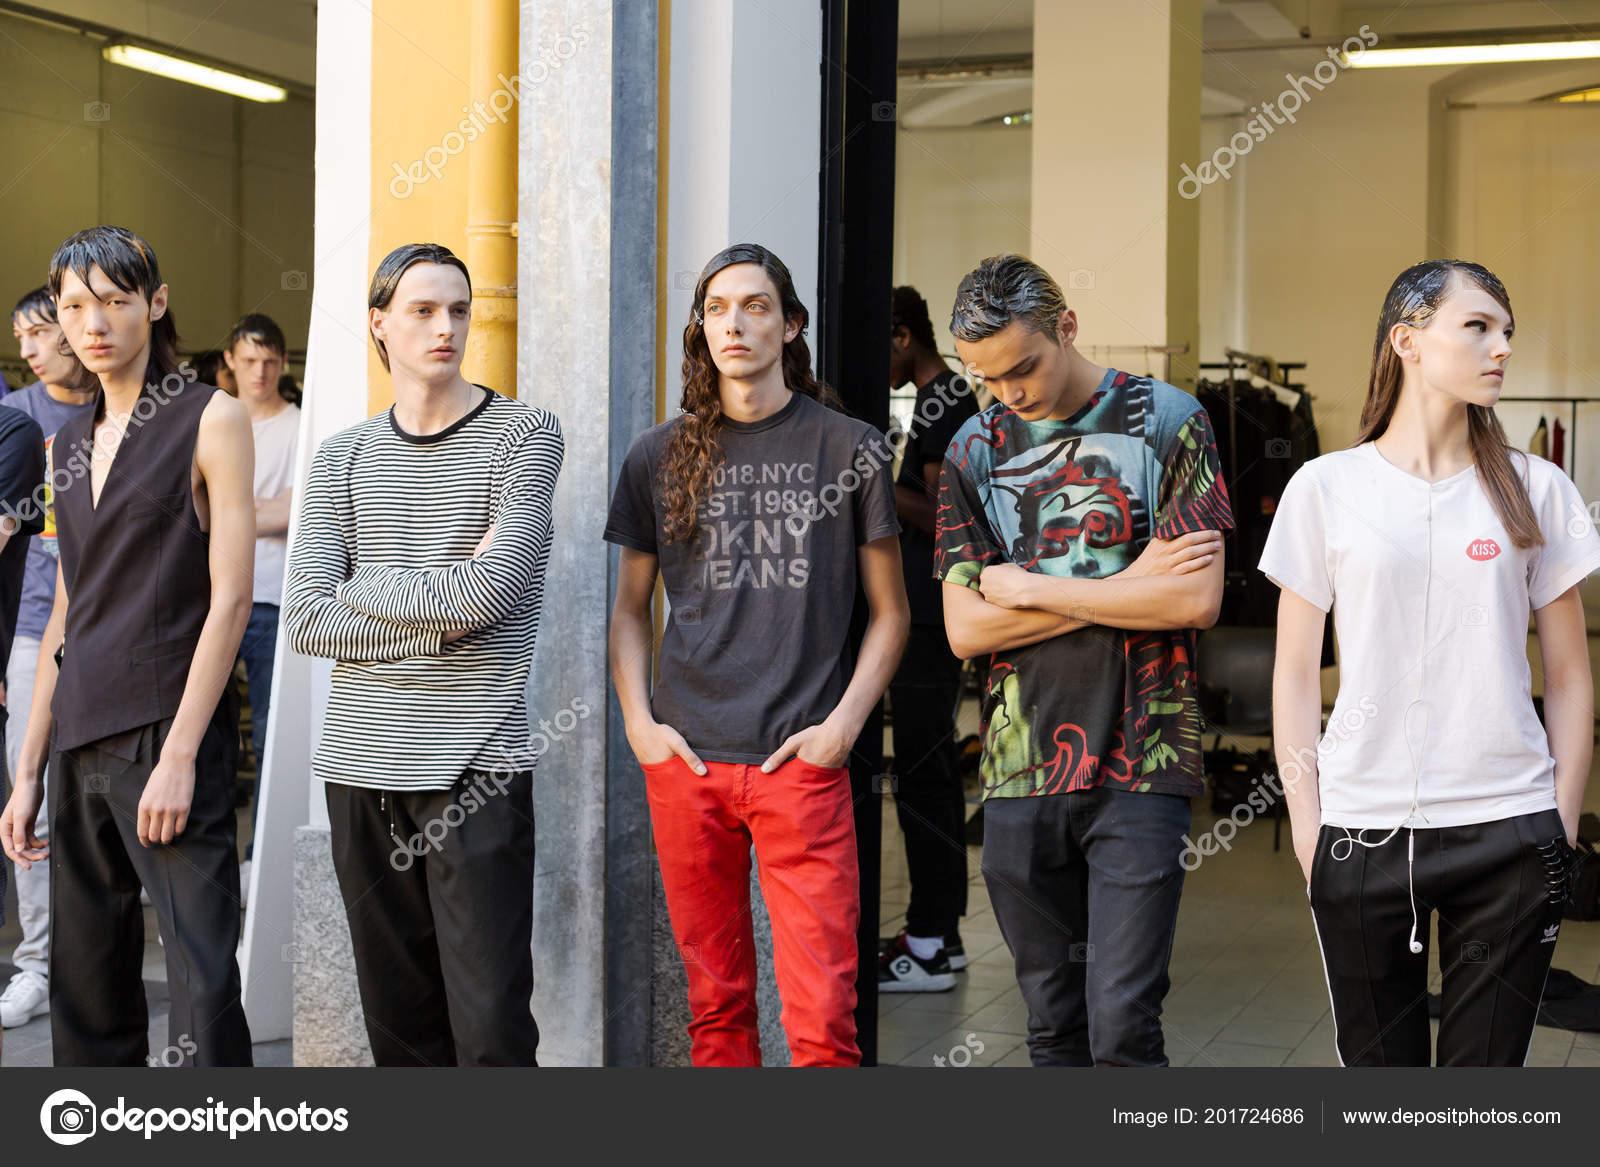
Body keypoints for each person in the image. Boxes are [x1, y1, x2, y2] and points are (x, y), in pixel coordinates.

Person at [1262, 260, 1599, 1066]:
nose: (1502, 348)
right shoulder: (1325, 487)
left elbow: (1571, 674)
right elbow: (1295, 674)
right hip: (1360, 834)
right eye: (1478, 326)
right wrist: (1309, 829)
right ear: (1407, 340)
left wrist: (1557, 825)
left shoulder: (1538, 489)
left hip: (1508, 830)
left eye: (1508, 331)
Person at [605, 243, 908, 1067]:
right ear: (700, 329)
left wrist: (841, 728)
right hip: (687, 765)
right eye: (716, 308)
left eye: (756, 305)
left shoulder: (849, 448)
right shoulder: (657, 455)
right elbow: (630, 611)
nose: (734, 322)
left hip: (801, 763)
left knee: (822, 1024)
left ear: (791, 323)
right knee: (716, 1011)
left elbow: (892, 615)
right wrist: (640, 724)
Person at [936, 254, 1231, 1067]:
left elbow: (1192, 601)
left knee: (1124, 1025)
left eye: (1023, 367)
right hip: (1017, 767)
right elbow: (964, 629)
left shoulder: (1170, 421)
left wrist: (1023, 588)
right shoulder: (972, 448)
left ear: (1067, 328)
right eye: (985, 378)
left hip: (1144, 759)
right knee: (1052, 1025)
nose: (1010, 394)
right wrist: (1127, 581)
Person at [283, 242, 563, 1067]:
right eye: (422, 309)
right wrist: (441, 595)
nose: (446, 327)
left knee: (491, 1032)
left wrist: (365, 582)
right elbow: (304, 617)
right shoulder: (341, 455)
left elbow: (489, 597)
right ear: (379, 323)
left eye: (459, 309)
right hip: (360, 770)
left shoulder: (524, 435)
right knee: (399, 1029)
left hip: (475, 766)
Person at [0, 225, 257, 1066]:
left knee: (202, 984)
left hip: (165, 730)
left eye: (114, 300)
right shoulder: (63, 444)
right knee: (88, 986)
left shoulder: (208, 417)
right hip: (78, 737)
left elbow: (231, 599)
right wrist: (30, 766)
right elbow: (68, 607)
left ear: (156, 300)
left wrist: (182, 752)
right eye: (75, 306)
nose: (93, 324)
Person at [877, 285, 979, 993]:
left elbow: (946, 515)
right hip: (924, 615)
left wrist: (873, 486)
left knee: (925, 775)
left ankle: (933, 939)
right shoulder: (940, 401)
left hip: (933, 620)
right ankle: (937, 931)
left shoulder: (947, 402)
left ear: (904, 336)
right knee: (926, 773)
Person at [0, 288, 94, 1032]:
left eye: (39, 332)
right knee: (25, 793)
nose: (29, 349)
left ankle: (96, 955)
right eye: (21, 337)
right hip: (34, 627)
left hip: (115, 634)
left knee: (95, 799)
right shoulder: (18, 419)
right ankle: (36, 961)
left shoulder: (128, 405)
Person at [221, 313, 299, 888]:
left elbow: (299, 511)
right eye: (249, 360)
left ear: (284, 364)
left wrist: (226, 514)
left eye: (270, 360)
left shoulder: (301, 425)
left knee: (269, 733)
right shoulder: (214, 422)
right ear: (230, 361)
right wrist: (261, 510)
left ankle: (255, 862)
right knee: (207, 734)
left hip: (273, 601)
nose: (260, 371)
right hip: (212, 602)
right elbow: (187, 511)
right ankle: (209, 857)